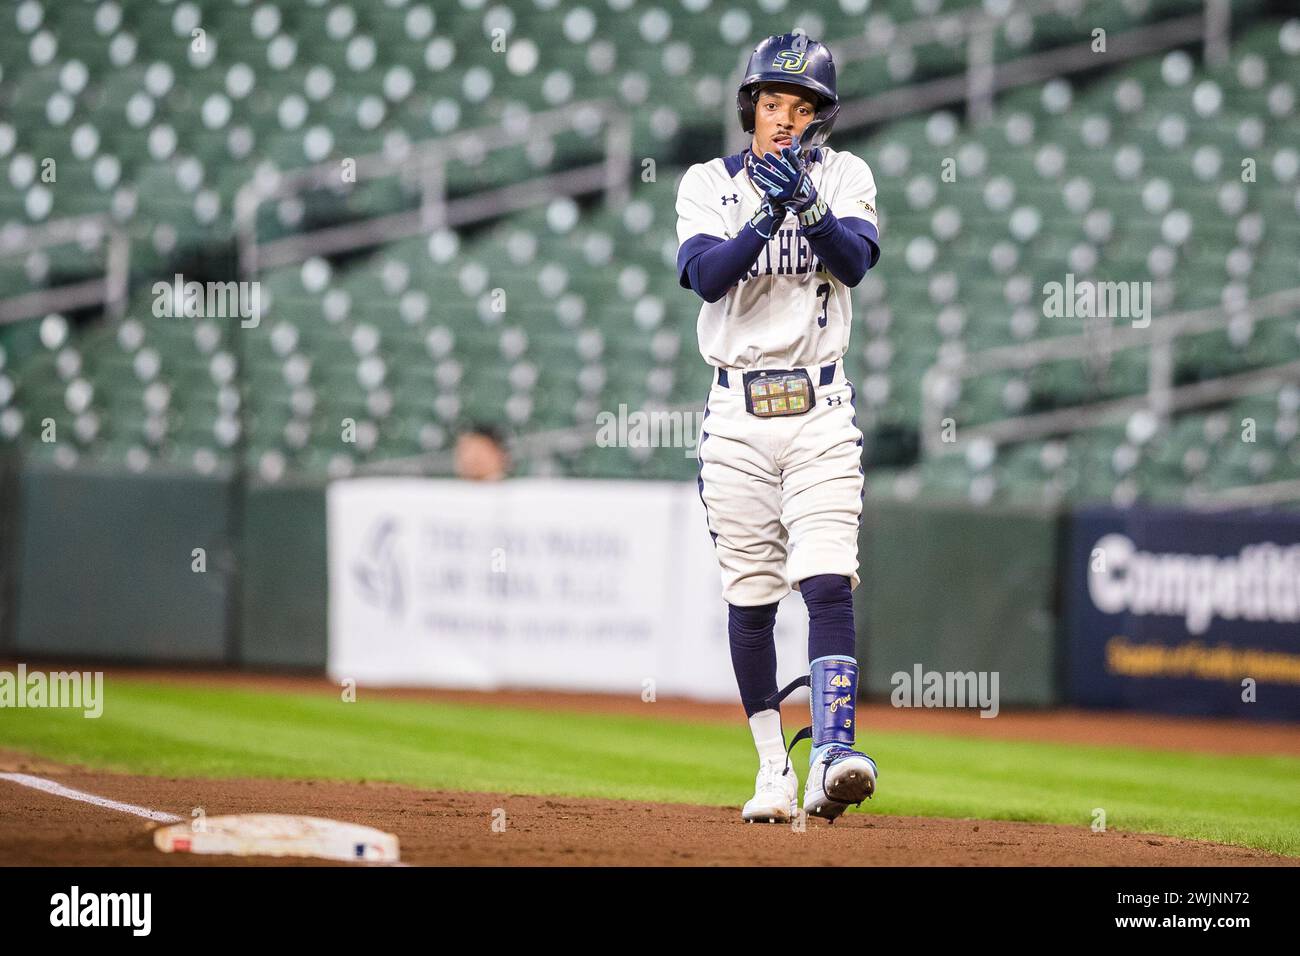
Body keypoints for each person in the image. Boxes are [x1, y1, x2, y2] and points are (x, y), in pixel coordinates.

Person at [674, 33, 883, 823]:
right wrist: (768, 214)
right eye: (772, 103)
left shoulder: (846, 176)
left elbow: (854, 261)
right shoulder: (707, 182)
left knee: (826, 579)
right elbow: (705, 276)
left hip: (820, 405)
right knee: (752, 598)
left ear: (819, 117)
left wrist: (807, 205)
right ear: (751, 108)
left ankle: (831, 755)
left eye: (801, 106)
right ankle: (773, 768)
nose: (785, 118)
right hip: (736, 411)